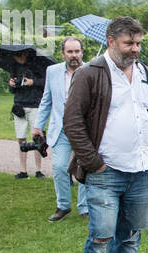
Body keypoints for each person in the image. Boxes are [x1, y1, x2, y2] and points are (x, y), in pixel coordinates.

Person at [62, 16, 148, 253]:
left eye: (138, 43)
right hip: (105, 172)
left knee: (131, 235)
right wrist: (92, 162)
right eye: (128, 43)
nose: (135, 49)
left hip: (142, 169)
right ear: (111, 41)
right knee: (102, 236)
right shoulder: (90, 74)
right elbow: (73, 122)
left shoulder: (144, 71)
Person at [34, 36, 90, 221]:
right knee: (59, 167)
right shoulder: (52, 71)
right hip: (61, 129)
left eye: (77, 51)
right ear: (63, 54)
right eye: (70, 52)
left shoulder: (91, 70)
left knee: (85, 168)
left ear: (82, 52)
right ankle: (63, 206)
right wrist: (38, 126)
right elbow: (46, 100)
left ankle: (85, 207)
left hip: (85, 130)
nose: (74, 55)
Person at [8, 49, 45, 178]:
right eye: (15, 56)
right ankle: (23, 170)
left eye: (19, 55)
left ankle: (38, 170)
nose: (17, 58)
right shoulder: (14, 68)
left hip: (34, 104)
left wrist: (32, 82)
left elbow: (45, 83)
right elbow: (12, 90)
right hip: (19, 106)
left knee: (37, 138)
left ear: (25, 54)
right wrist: (12, 85)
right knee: (21, 138)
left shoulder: (38, 65)